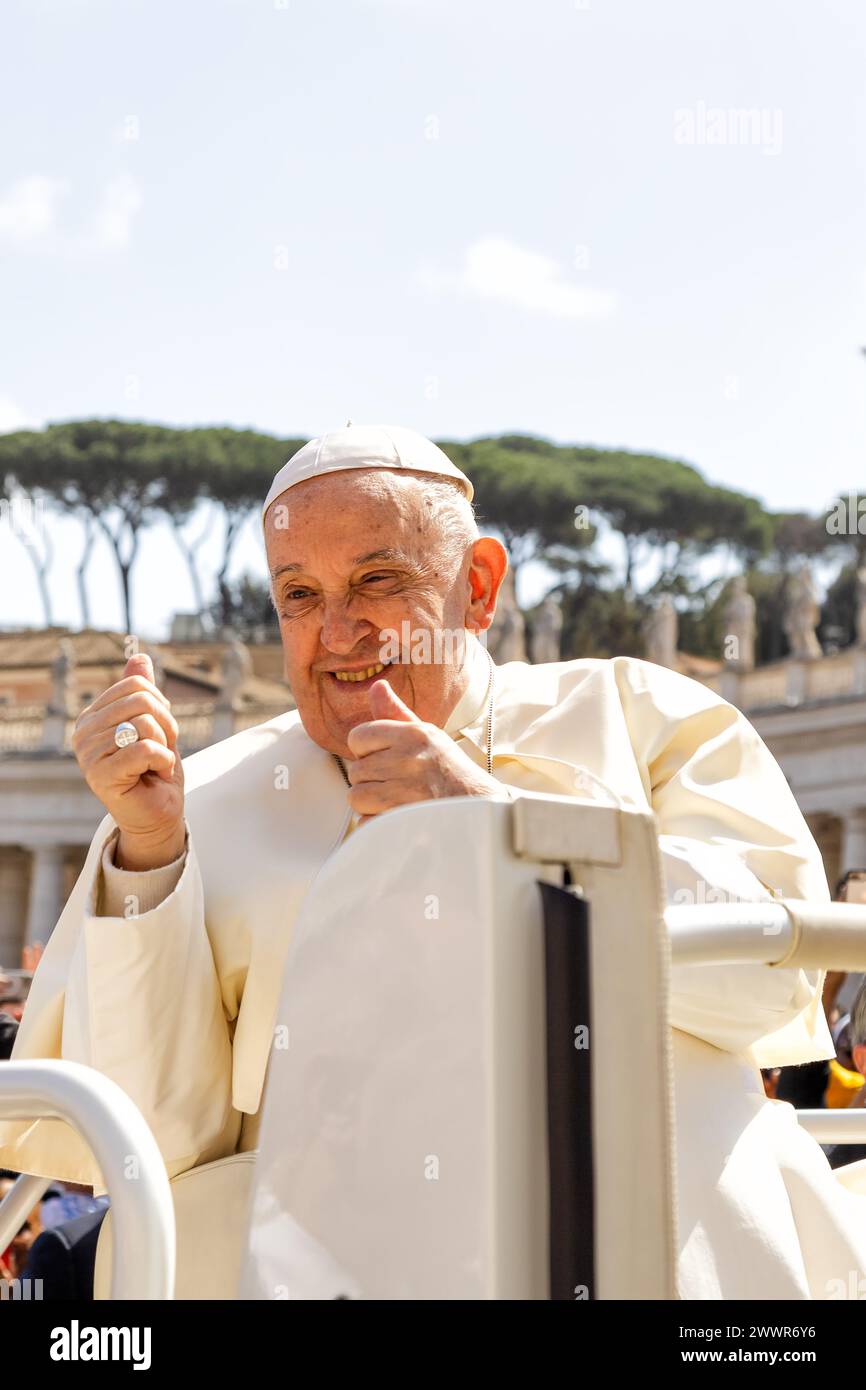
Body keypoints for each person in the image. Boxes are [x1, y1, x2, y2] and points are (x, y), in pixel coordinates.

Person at [0, 422, 861, 1299]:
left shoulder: (642, 718)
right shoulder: (205, 803)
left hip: (658, 1248)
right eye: (299, 595)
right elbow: (151, 1138)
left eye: (378, 580)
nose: (336, 632)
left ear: (478, 587)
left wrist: (491, 822)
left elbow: (766, 980)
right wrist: (148, 857)